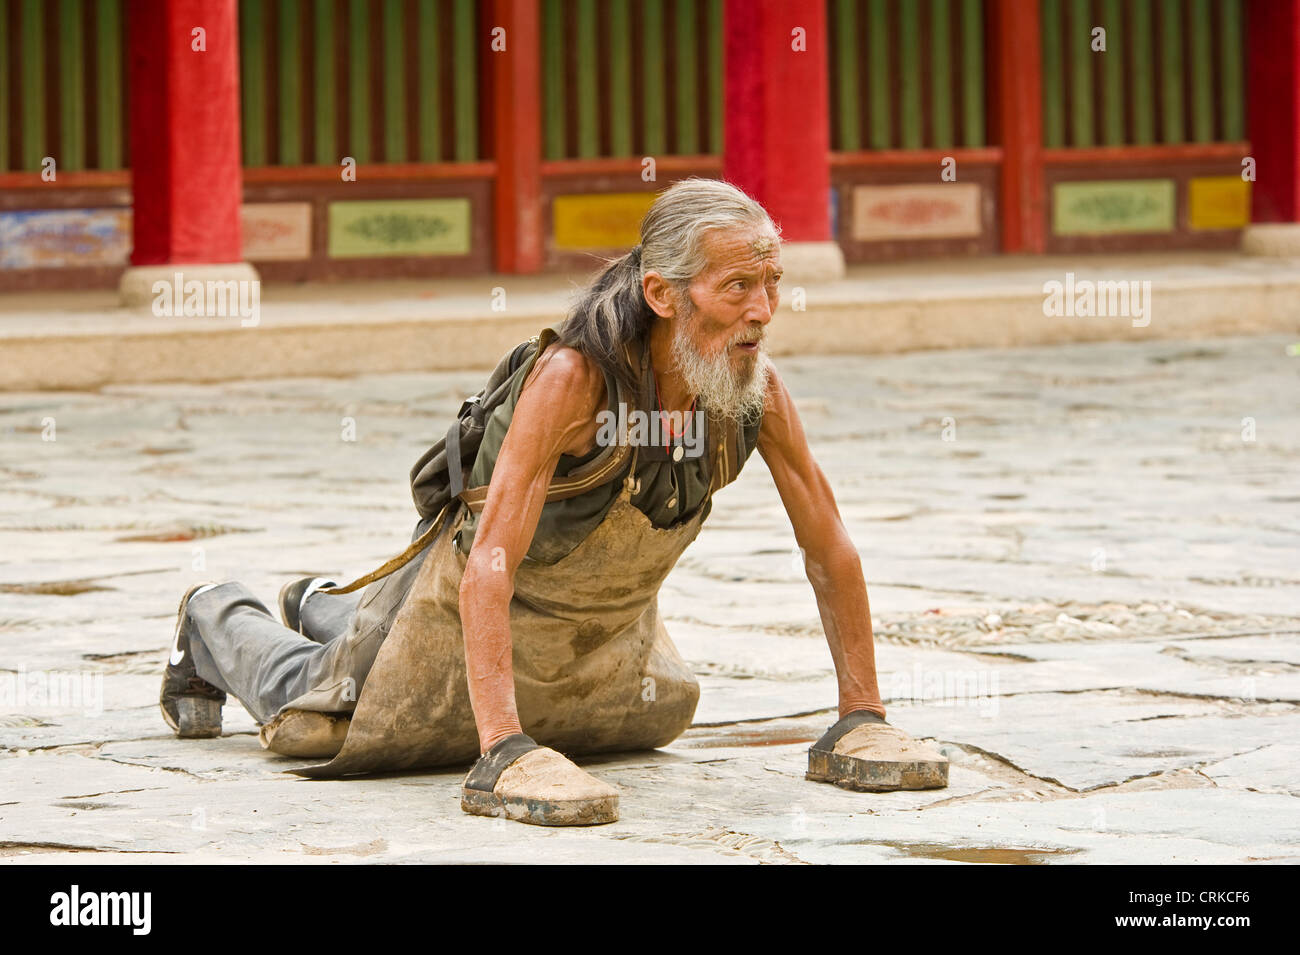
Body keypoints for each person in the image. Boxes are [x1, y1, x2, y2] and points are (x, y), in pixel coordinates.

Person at [159, 177, 948, 827]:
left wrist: (861, 715)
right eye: (737, 286)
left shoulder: (752, 392)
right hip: (470, 602)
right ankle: (216, 613)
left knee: (648, 718)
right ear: (663, 294)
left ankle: (331, 602)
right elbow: (492, 555)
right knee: (318, 712)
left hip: (592, 648)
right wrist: (503, 748)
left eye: (772, 283)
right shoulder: (573, 381)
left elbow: (828, 542)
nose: (763, 312)